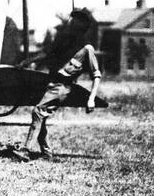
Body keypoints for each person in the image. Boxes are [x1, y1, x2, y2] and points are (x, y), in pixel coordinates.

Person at [10, 9, 102, 162]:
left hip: (63, 86)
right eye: (73, 19)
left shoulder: (87, 49)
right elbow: (46, 53)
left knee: (38, 111)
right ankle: (46, 154)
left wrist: (91, 98)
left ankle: (25, 151)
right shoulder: (64, 39)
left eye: (77, 20)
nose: (72, 22)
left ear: (84, 25)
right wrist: (25, 62)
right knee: (41, 118)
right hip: (50, 82)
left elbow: (96, 75)